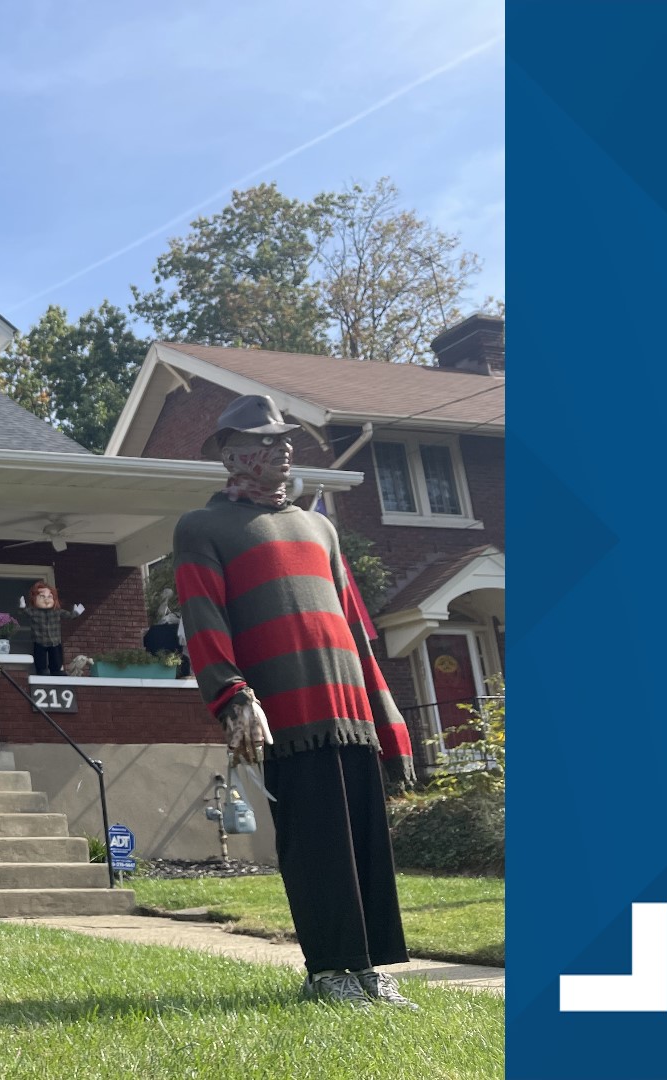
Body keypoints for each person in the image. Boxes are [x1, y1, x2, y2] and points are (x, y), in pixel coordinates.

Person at [172, 394, 418, 1010]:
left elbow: (357, 626)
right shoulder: (203, 528)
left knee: (365, 844)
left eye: (286, 437)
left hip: (350, 711)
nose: (282, 446)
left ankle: (372, 970)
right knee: (315, 845)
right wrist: (232, 698)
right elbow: (204, 622)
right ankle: (328, 971)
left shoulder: (320, 527)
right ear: (229, 452)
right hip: (287, 719)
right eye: (264, 438)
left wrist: (386, 714)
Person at [17, 581, 86, 676]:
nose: (46, 600)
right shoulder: (34, 612)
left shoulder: (57, 611)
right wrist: (22, 607)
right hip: (39, 639)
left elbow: (69, 616)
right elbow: (24, 613)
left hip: (55, 640)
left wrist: (76, 612)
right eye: (42, 597)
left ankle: (56, 670)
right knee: (40, 657)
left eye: (49, 597)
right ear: (34, 599)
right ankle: (42, 670)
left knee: (56, 656)